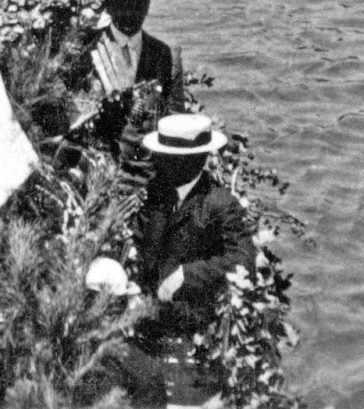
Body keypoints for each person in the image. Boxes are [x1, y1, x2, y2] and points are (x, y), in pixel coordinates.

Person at [94, 113, 256, 407]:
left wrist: (187, 274)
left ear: (198, 159)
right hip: (149, 322)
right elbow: (143, 246)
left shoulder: (219, 204)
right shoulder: (156, 194)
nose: (162, 163)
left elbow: (244, 261)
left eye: (171, 157)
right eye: (164, 155)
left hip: (191, 327)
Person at [90, 0, 186, 160]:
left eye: (137, 5)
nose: (129, 13)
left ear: (147, 6)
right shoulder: (88, 49)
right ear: (108, 6)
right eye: (121, 5)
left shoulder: (165, 55)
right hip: (100, 163)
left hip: (148, 168)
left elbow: (175, 121)